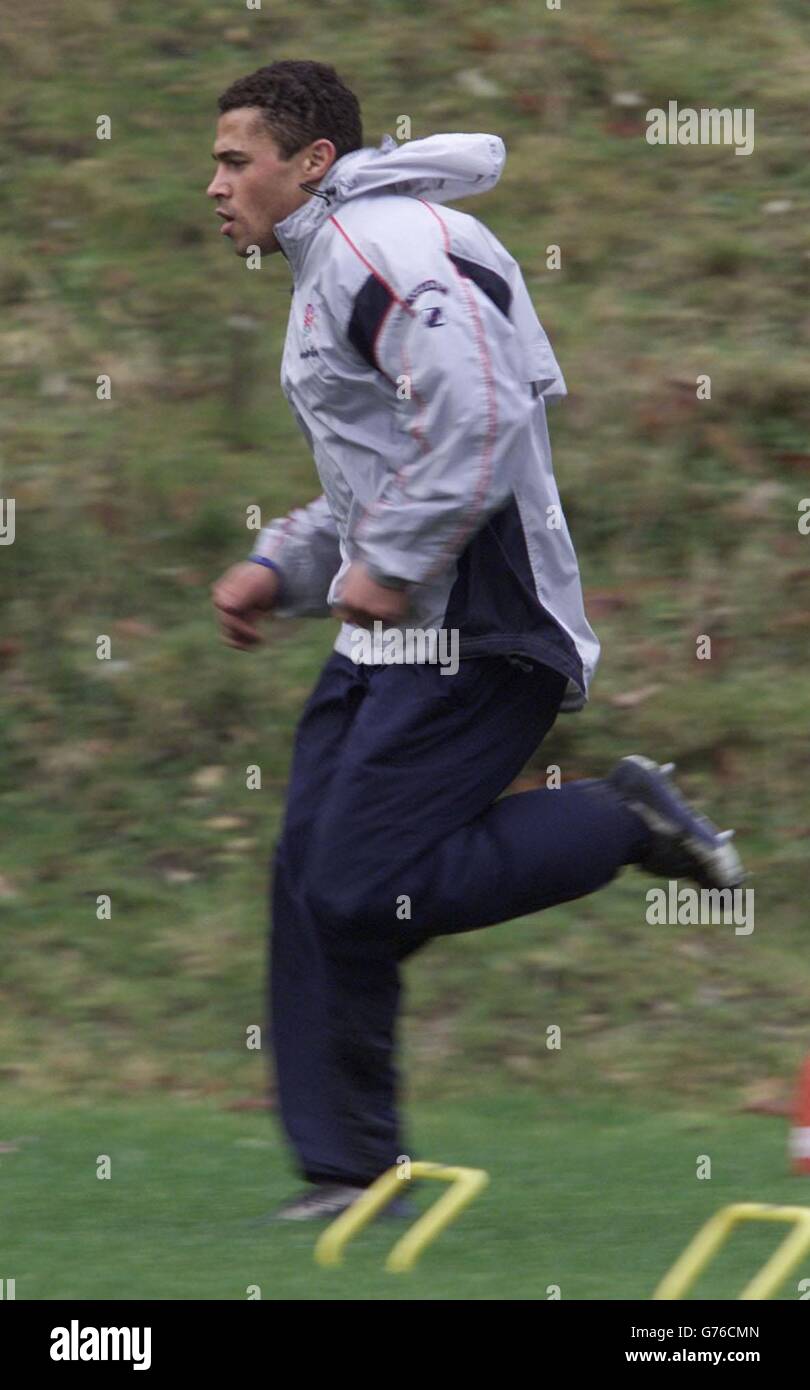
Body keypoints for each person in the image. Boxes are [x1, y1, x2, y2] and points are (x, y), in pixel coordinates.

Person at [209, 61, 744, 1220]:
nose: (214, 185)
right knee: (314, 878)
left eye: (234, 159)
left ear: (309, 164)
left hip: (480, 625)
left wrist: (391, 563)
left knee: (355, 883)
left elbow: (484, 411)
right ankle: (351, 1176)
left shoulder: (377, 246)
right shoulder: (333, 263)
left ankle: (619, 818)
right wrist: (287, 563)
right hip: (401, 634)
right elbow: (384, 474)